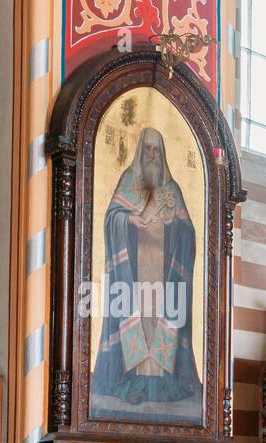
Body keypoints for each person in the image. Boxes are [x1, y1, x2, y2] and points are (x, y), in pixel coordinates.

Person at [92, 127, 201, 421]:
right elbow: (111, 219)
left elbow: (189, 232)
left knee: (159, 323)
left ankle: (161, 384)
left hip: (164, 280)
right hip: (134, 277)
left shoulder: (172, 190)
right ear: (140, 152)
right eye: (147, 149)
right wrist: (131, 221)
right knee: (136, 321)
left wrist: (171, 225)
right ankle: (133, 384)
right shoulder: (128, 182)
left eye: (157, 150)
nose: (152, 155)